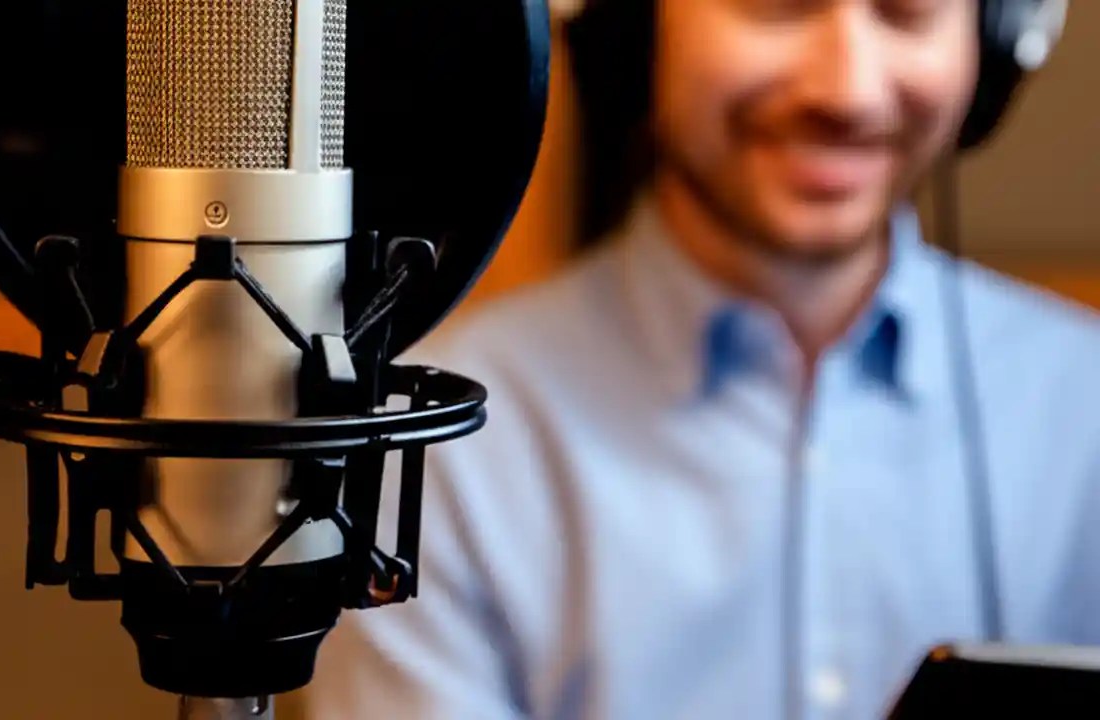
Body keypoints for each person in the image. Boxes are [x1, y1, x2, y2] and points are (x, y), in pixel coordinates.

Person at [308, 1, 1100, 718]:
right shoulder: (435, 445)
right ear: (634, 33)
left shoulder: (1083, 406)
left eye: (907, 14)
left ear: (996, 41)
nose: (848, 91)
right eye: (777, 9)